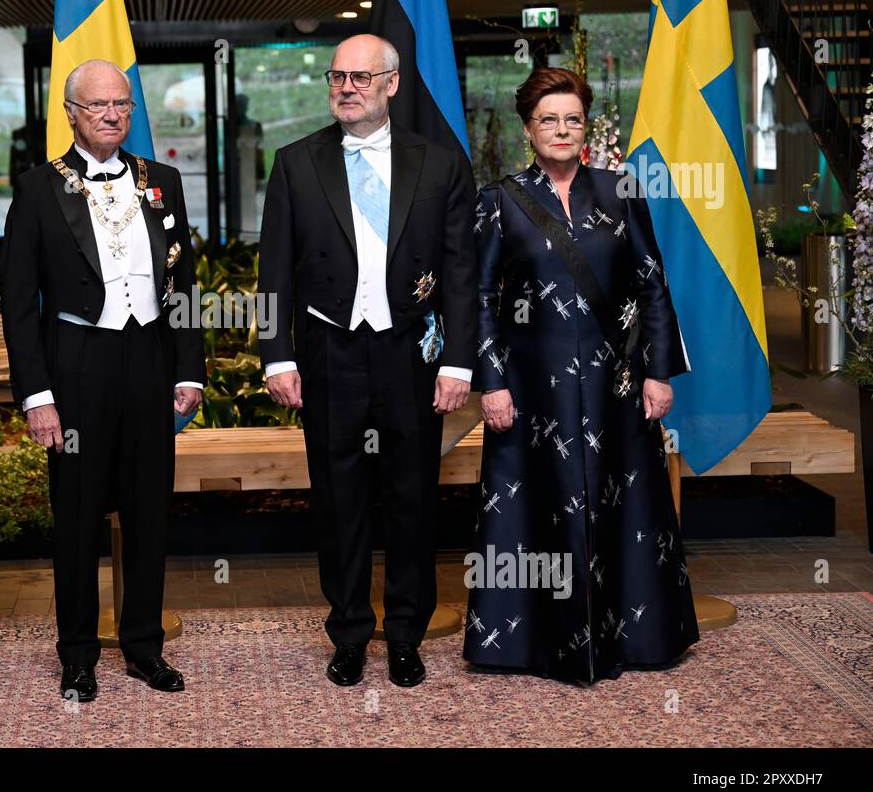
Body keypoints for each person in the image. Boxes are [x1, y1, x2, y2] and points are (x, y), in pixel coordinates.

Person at [462, 66, 699, 683]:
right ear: (528, 129)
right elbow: (481, 297)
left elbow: (652, 285)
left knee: (627, 504)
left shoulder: (620, 190)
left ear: (585, 127)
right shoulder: (501, 200)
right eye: (548, 119)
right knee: (536, 509)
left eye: (572, 118)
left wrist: (658, 372)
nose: (561, 129)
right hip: (531, 392)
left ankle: (639, 638)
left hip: (616, 385)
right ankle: (529, 645)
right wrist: (491, 380)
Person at [259, 34, 478, 688]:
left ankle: (406, 634)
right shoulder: (296, 163)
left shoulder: (440, 166)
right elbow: (273, 275)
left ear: (392, 84)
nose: (346, 87)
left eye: (360, 77)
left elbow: (461, 274)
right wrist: (276, 355)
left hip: (411, 352)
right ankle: (350, 632)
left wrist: (459, 362)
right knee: (339, 501)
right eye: (336, 76)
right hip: (329, 352)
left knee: (413, 500)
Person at [0, 59, 205, 701]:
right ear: (70, 112)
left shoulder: (163, 181)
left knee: (149, 513)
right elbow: (15, 300)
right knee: (79, 517)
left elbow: (187, 287)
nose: (113, 114)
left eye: (121, 104)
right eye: (97, 106)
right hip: (77, 363)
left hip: (149, 358)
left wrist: (190, 369)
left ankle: (143, 647)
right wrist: (36, 395)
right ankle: (78, 655)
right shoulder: (37, 188)